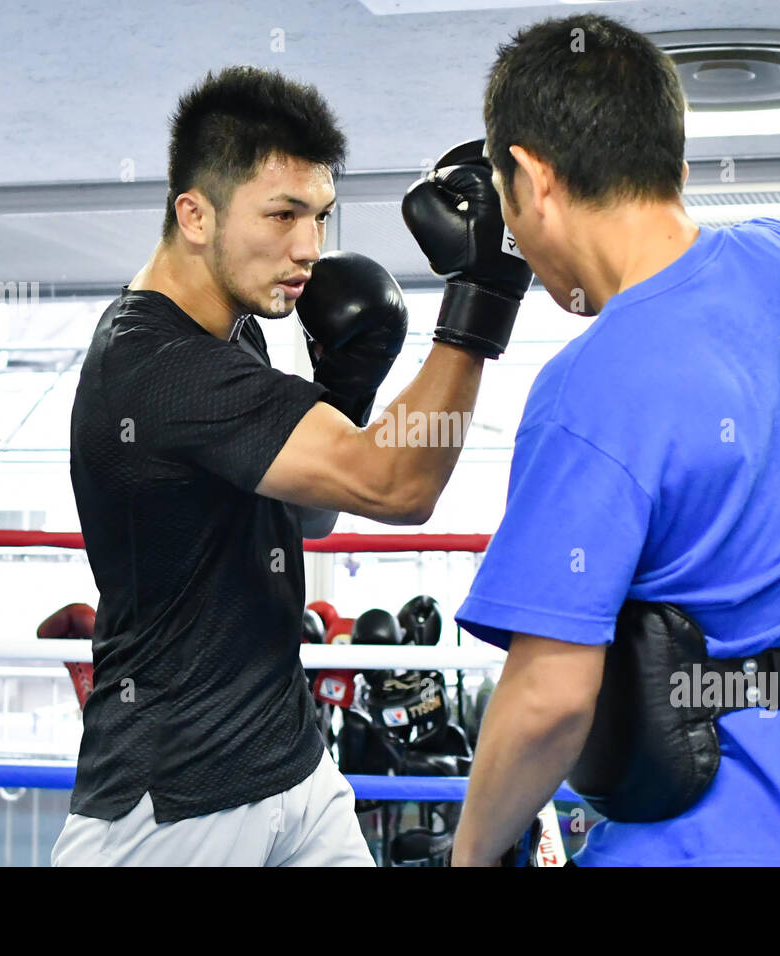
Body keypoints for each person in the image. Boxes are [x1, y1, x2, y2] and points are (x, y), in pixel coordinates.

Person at [449, 13, 780, 866]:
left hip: (727, 839)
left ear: (534, 180)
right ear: (671, 158)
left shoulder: (587, 389)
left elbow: (549, 702)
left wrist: (469, 856)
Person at [51, 65, 529, 866]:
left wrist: (344, 387)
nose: (309, 248)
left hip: (292, 766)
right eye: (282, 214)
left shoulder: (228, 331)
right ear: (194, 214)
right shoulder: (158, 367)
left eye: (319, 215)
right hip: (174, 801)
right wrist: (485, 289)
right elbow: (399, 486)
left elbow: (305, 518)